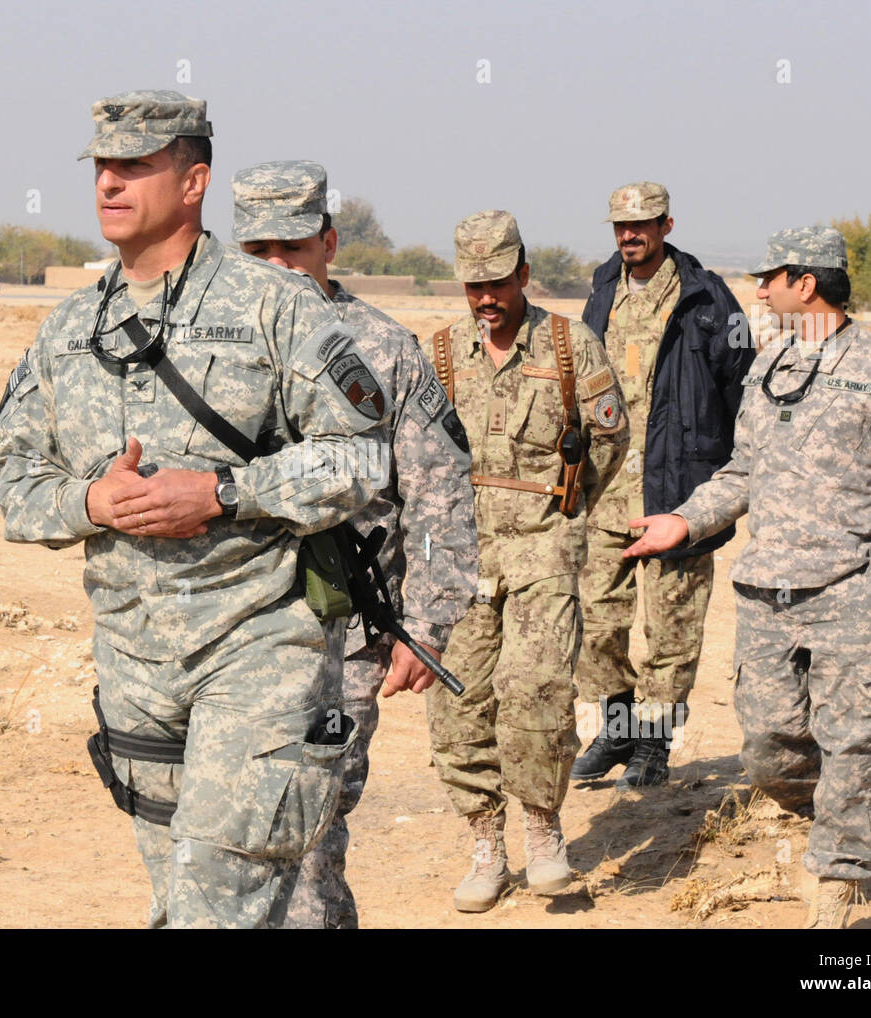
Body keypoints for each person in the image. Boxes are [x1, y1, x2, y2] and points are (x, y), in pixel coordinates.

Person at [0, 91, 393, 929]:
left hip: (257, 647)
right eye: (102, 166)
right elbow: (16, 482)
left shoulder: (273, 306)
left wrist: (224, 492)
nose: (110, 182)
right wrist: (90, 501)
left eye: (135, 165)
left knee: (217, 906)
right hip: (133, 665)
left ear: (195, 179)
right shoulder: (69, 327)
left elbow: (363, 456)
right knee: (182, 901)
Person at [624, 226, 871, 928]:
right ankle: (822, 809)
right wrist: (685, 520)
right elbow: (741, 471)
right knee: (769, 749)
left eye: (771, 277)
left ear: (808, 283)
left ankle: (838, 877)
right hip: (764, 590)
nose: (760, 290)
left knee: (851, 737)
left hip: (847, 590)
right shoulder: (770, 365)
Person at [231, 160, 478, 929]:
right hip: (224, 628)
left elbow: (440, 494)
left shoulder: (384, 348)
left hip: (342, 631)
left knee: (307, 834)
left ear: (328, 245)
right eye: (258, 253)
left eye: (292, 251)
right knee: (218, 833)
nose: (277, 269)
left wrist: (429, 624)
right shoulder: (208, 350)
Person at [425, 210, 629, 912]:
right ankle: (487, 844)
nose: (486, 298)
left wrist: (564, 515)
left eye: (497, 283)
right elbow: (420, 460)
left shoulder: (572, 347)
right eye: (473, 285)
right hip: (461, 555)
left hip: (544, 545)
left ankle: (542, 827)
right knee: (457, 702)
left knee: (537, 688)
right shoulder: (442, 354)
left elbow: (608, 444)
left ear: (523, 274)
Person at [574, 182, 754, 786]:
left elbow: (740, 391)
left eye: (643, 225)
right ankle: (618, 730)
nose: (630, 235)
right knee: (597, 622)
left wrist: (720, 474)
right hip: (605, 493)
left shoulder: (708, 299)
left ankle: (653, 744)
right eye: (621, 226)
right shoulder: (602, 290)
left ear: (666, 225)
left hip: (678, 490)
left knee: (671, 629)